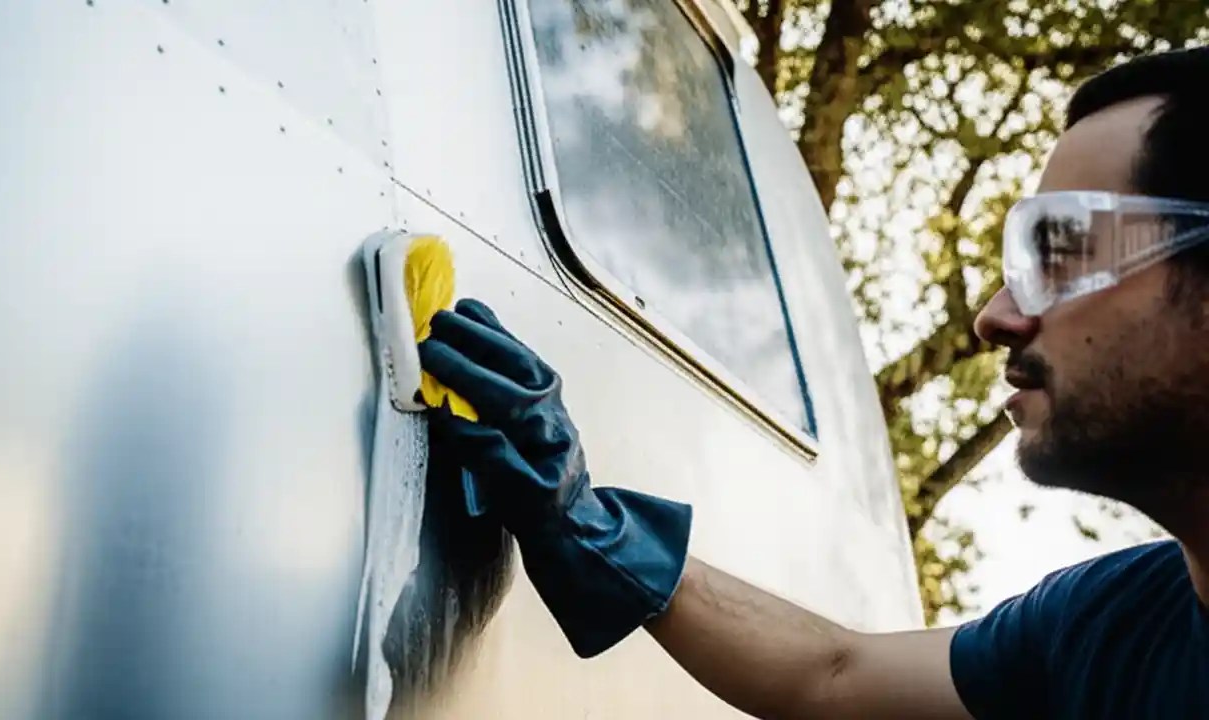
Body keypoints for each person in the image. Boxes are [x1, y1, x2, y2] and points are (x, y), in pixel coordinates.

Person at [416, 47, 1209, 719]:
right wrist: (585, 523)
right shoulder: (1106, 623)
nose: (995, 318)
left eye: (1059, 252)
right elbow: (831, 674)